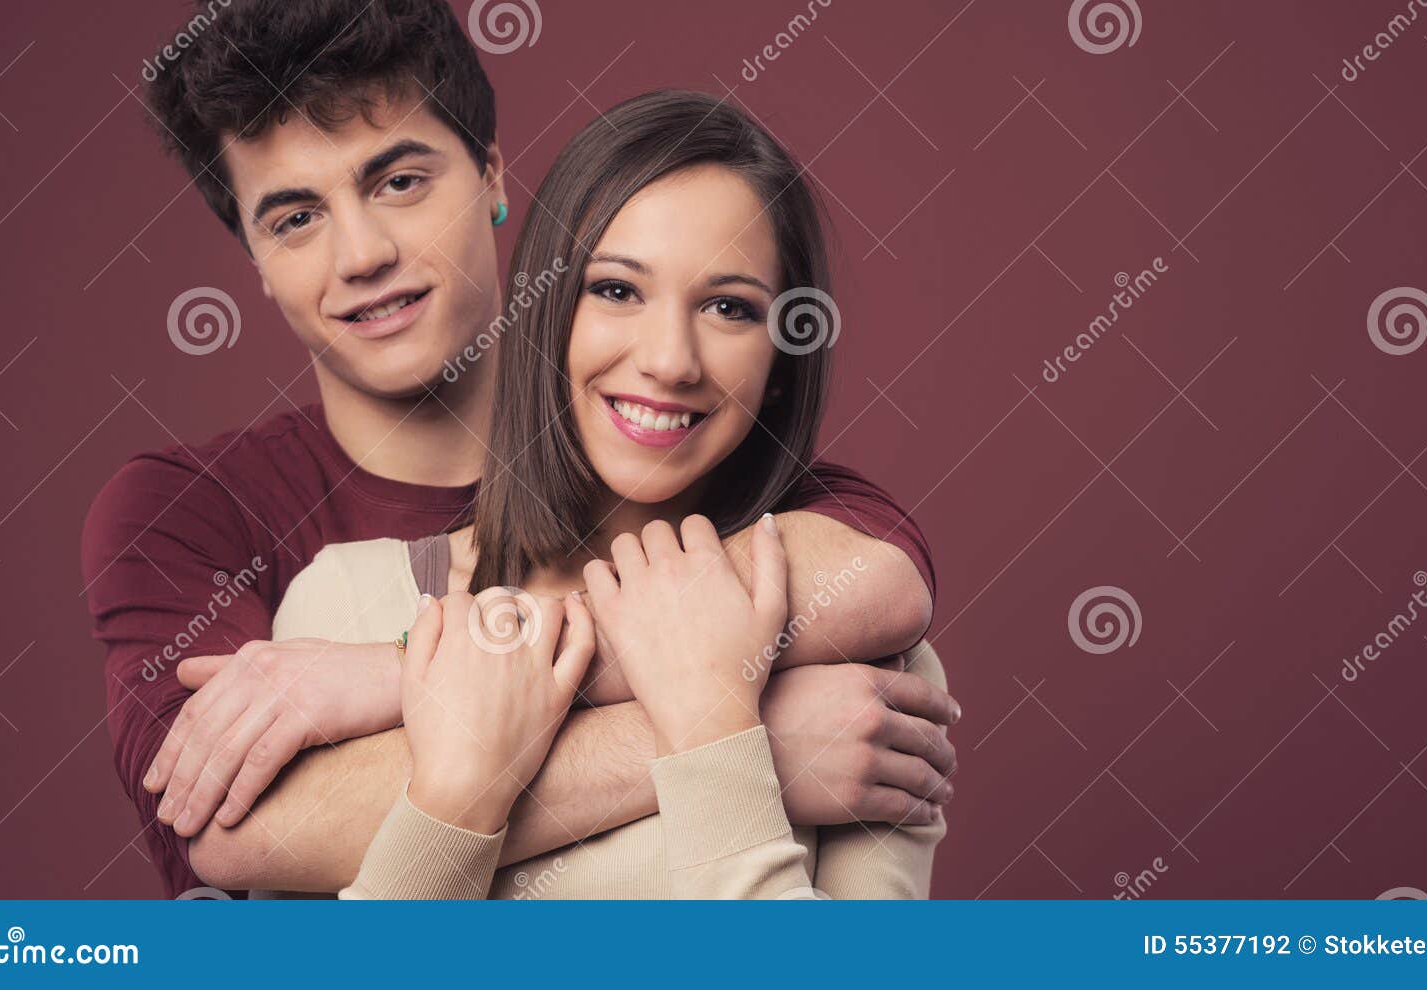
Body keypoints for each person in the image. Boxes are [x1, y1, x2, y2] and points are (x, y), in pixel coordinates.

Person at [82, 0, 955, 897]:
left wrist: (406, 681)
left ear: (494, 173)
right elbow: (237, 829)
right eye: (294, 218)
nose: (363, 253)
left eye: (399, 182)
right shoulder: (213, 523)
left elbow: (879, 578)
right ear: (255, 262)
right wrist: (749, 737)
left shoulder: (702, 461)